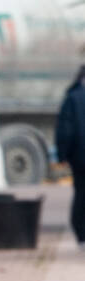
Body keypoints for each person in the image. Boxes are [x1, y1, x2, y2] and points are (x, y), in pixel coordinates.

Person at [55, 65, 85, 244]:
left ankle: (81, 234)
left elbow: (65, 130)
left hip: (80, 159)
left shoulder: (72, 98)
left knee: (81, 194)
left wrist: (63, 155)